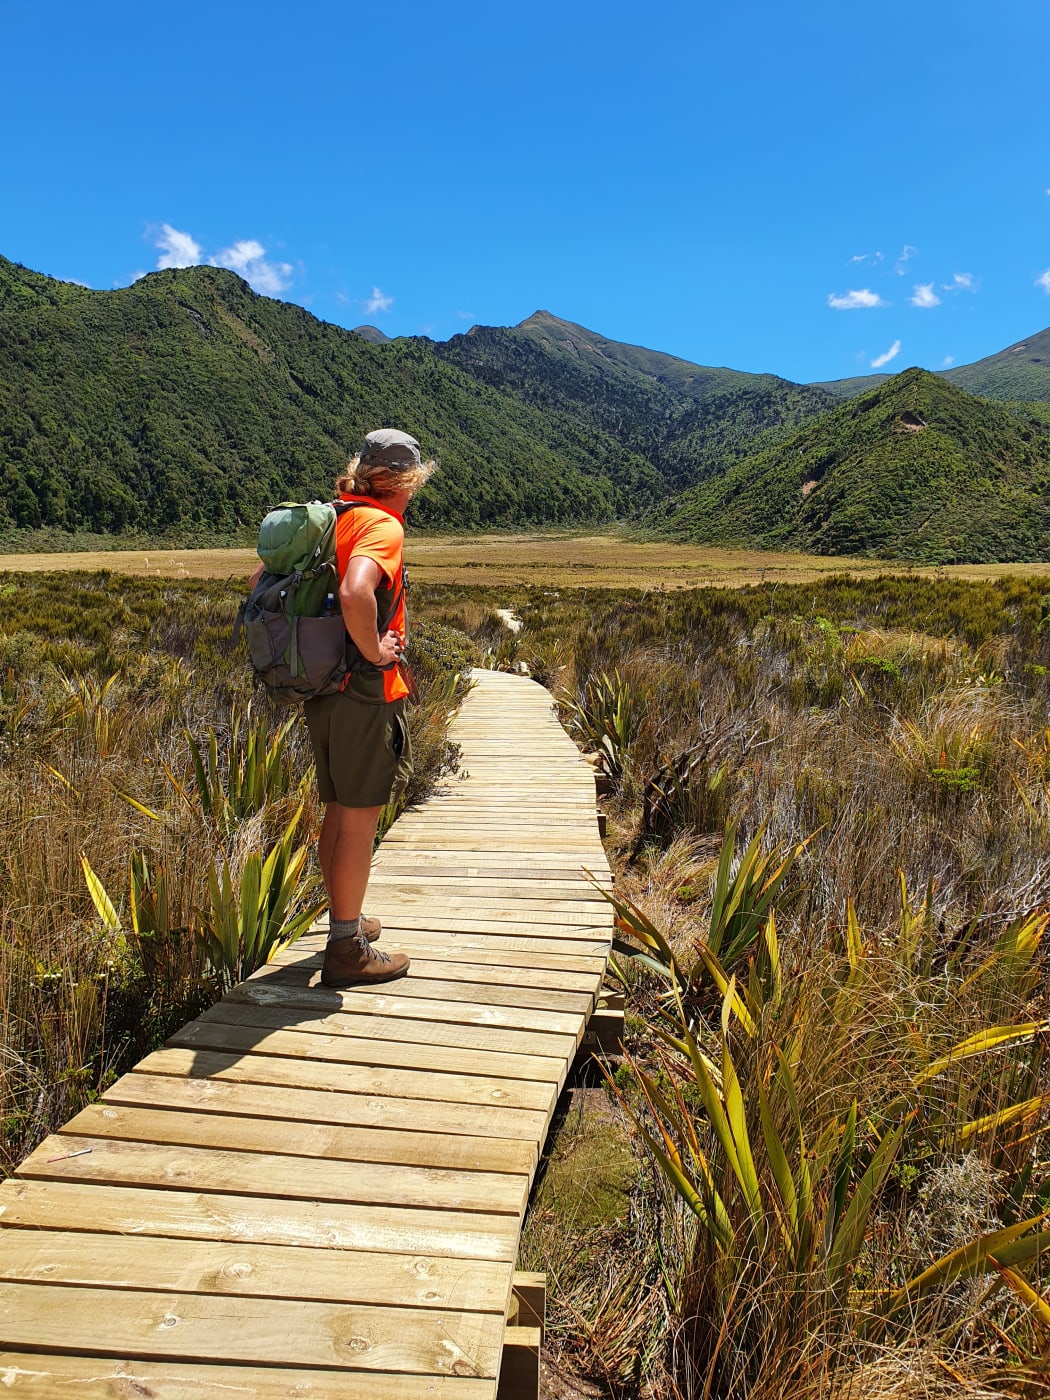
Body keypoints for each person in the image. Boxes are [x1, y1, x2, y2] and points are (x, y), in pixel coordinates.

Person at [303, 428, 434, 988]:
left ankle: (345, 921)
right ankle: (346, 949)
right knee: (359, 821)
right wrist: (374, 649)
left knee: (337, 809)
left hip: (324, 685)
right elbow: (358, 591)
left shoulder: (335, 516)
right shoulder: (382, 524)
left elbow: (262, 577)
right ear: (403, 483)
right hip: (362, 690)